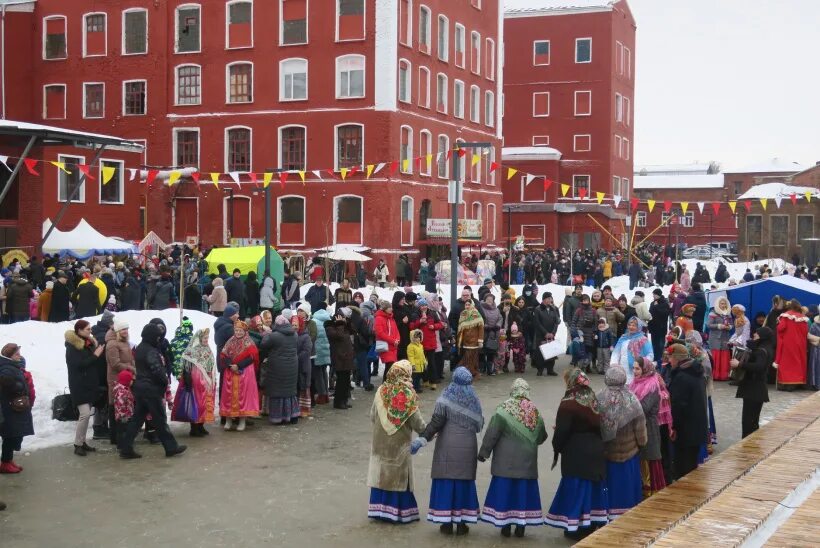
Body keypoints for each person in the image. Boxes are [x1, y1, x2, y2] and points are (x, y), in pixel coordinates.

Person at [413, 367, 484, 536]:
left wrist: (420, 440)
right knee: (463, 483)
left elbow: (435, 424)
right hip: (467, 447)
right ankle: (462, 524)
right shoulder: (474, 399)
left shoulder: (445, 397)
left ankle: (446, 524)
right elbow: (479, 425)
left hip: (447, 445)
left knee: (446, 481)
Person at [479, 379, 548, 538]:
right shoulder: (534, 411)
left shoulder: (503, 409)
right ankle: (521, 526)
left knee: (506, 494)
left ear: (513, 390)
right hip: (527, 464)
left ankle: (505, 526)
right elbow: (542, 437)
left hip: (505, 464)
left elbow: (492, 434)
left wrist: (484, 452)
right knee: (522, 495)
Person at [545, 369, 607, 540]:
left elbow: (562, 432)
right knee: (592, 490)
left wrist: (557, 446)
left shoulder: (569, 402)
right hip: (595, 450)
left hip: (577, 453)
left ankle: (576, 527)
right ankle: (592, 523)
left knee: (577, 490)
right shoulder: (592, 397)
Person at [367, 361, 426, 524]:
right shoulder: (408, 395)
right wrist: (429, 434)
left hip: (379, 443)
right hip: (399, 445)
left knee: (381, 475)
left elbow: (372, 416)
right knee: (397, 477)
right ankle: (399, 513)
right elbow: (419, 425)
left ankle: (379, 511)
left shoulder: (381, 391)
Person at [118, 322, 187, 459]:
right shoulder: (151, 351)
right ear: (152, 336)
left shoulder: (139, 348)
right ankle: (171, 447)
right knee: (160, 420)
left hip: (140, 388)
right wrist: (164, 382)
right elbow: (157, 370)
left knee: (137, 420)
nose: (158, 339)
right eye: (157, 337)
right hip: (151, 390)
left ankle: (125, 448)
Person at [597, 366, 646, 519]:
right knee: (626, 487)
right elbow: (640, 428)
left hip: (606, 453)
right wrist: (642, 443)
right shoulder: (632, 399)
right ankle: (627, 513)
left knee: (609, 486)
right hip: (628, 454)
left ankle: (606, 512)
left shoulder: (598, 398)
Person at [65, 320, 106, 456]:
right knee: (85, 414)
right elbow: (80, 365)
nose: (90, 331)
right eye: (88, 329)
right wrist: (96, 355)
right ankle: (77, 444)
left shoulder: (87, 343)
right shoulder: (72, 346)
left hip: (89, 384)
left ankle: (82, 442)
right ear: (79, 330)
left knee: (87, 415)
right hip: (79, 385)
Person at [630, 357, 669, 498]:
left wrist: (628, 403)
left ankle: (650, 490)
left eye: (637, 368)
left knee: (648, 458)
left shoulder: (652, 386)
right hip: (639, 428)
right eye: (633, 368)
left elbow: (644, 407)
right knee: (641, 458)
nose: (634, 371)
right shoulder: (634, 382)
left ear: (645, 369)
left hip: (649, 429)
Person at [666, 344, 707, 479]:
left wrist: (674, 427)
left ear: (677, 358)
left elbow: (678, 406)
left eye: (670, 358)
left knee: (683, 468)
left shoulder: (681, 377)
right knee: (691, 465)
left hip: (686, 430)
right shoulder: (696, 372)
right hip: (697, 428)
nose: (669, 361)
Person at [172, 328, 216, 437]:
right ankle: (194, 428)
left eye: (207, 338)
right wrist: (188, 381)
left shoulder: (207, 349)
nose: (206, 340)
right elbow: (186, 367)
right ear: (199, 338)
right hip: (195, 381)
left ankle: (201, 425)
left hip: (206, 381)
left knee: (205, 404)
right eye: (204, 338)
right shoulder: (191, 350)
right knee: (196, 403)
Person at [730, 327, 773, 438]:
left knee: (748, 421)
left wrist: (740, 364)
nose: (754, 334)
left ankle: (747, 444)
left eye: (757, 333)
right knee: (752, 421)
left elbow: (759, 366)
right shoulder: (765, 347)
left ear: (762, 336)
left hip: (754, 389)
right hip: (756, 389)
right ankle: (751, 443)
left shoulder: (762, 350)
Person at [219, 321, 260, 430]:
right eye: (236, 330)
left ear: (245, 331)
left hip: (244, 372)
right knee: (228, 396)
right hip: (230, 372)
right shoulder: (230, 341)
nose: (238, 332)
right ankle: (228, 420)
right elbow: (223, 355)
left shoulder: (249, 342)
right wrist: (230, 366)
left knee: (243, 396)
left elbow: (252, 357)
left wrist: (238, 366)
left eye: (240, 330)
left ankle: (242, 421)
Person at [0, 344, 34, 474]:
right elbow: (4, 381)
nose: (20, 356)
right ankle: (5, 463)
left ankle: (8, 460)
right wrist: (18, 386)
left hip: (14, 408)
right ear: (10, 356)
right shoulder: (7, 368)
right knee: (10, 435)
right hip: (10, 408)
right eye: (17, 354)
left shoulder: (12, 366)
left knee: (13, 434)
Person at [260, 316, 301, 425]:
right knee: (290, 391)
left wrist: (267, 333)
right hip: (292, 366)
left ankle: (278, 417)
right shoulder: (295, 334)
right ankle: (292, 415)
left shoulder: (274, 336)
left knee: (277, 391)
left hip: (277, 367)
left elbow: (263, 344)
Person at [104, 318, 136, 445]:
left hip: (127, 378)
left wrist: (133, 369)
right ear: (117, 330)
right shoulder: (112, 344)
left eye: (126, 329)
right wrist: (131, 368)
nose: (125, 331)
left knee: (125, 406)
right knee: (116, 407)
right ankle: (116, 437)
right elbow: (115, 364)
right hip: (116, 379)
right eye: (123, 329)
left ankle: (123, 436)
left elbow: (130, 359)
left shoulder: (124, 342)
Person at [410, 298, 444, 390]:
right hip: (419, 343)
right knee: (421, 363)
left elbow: (440, 324)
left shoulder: (432, 313)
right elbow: (411, 327)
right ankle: (425, 380)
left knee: (431, 363)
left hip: (430, 342)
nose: (424, 307)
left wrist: (434, 326)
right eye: (422, 306)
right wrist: (420, 321)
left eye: (425, 305)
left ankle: (433, 382)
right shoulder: (415, 314)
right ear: (419, 307)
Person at [774, 300, 809, 391]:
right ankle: (797, 382)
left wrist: (777, 325)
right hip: (800, 344)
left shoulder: (785, 316)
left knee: (787, 363)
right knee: (798, 363)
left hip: (788, 343)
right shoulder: (803, 318)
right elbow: (806, 331)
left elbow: (781, 328)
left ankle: (786, 383)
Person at [325, 307, 356, 409]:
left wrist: (347, 323)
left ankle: (344, 400)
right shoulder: (330, 326)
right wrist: (339, 324)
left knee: (346, 381)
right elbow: (339, 336)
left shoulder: (344, 326)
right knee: (341, 381)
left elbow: (353, 331)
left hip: (347, 357)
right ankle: (338, 402)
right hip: (339, 357)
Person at [610, 317, 654, 383]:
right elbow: (616, 352)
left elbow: (650, 354)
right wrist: (614, 364)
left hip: (636, 371)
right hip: (622, 369)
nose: (631, 327)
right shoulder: (623, 338)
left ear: (639, 327)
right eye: (629, 325)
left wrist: (642, 365)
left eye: (634, 325)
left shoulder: (643, 339)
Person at [532, 292, 561, 376]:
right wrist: (545, 333)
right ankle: (540, 369)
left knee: (551, 352)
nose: (550, 300)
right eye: (548, 298)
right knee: (540, 353)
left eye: (551, 298)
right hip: (541, 335)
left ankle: (550, 369)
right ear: (544, 299)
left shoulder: (554, 309)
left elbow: (556, 322)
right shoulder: (538, 309)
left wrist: (553, 333)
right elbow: (537, 323)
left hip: (551, 334)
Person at [706, 296, 733, 381]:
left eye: (725, 303)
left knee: (724, 355)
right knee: (716, 356)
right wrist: (719, 326)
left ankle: (723, 375)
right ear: (718, 304)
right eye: (721, 303)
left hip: (725, 337)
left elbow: (731, 324)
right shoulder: (712, 313)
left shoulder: (728, 314)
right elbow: (709, 325)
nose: (723, 305)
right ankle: (715, 375)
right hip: (715, 338)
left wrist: (729, 327)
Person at [292, 315, 314, 417]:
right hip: (294, 366)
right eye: (292, 325)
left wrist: (295, 357)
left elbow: (307, 351)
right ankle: (295, 409)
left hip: (303, 366)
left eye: (296, 325)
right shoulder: (291, 336)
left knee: (303, 386)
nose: (294, 327)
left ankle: (303, 410)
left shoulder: (306, 336)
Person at [457, 300, 485, 379]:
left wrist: (480, 341)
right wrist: (459, 340)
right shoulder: (463, 314)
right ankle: (470, 373)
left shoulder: (476, 314)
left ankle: (472, 373)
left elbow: (481, 328)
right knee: (468, 358)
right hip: (465, 341)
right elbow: (460, 329)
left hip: (474, 341)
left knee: (471, 358)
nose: (467, 306)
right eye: (466, 305)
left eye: (469, 304)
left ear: (472, 305)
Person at [374, 300, 400, 381]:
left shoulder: (391, 318)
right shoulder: (379, 318)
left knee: (391, 367)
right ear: (384, 308)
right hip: (385, 346)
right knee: (389, 366)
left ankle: (388, 385)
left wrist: (398, 339)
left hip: (393, 346)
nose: (391, 309)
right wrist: (393, 341)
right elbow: (380, 333)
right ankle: (385, 384)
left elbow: (396, 330)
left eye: (391, 307)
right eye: (389, 307)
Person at [809, 310, 820, 391]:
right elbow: (809, 336)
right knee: (816, 367)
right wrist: (818, 340)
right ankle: (816, 384)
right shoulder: (814, 325)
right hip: (816, 350)